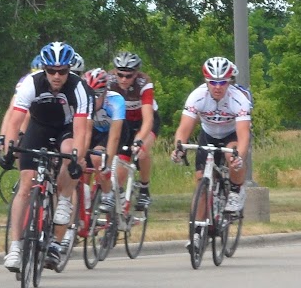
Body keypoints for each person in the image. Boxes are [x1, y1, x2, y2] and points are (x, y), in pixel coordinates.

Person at [0, 41, 91, 272]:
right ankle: (16, 247)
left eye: (62, 71)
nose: (57, 76)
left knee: (69, 152)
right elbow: (15, 120)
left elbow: (81, 130)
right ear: (43, 69)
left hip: (65, 129)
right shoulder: (31, 83)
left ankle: (64, 200)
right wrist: (9, 149)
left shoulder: (79, 88)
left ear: (69, 70)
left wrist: (77, 159)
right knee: (25, 187)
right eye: (51, 71)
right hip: (39, 127)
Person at [169, 56, 253, 218]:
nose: (217, 87)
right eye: (213, 82)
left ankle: (236, 191)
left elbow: (243, 135)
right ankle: (198, 231)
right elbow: (184, 128)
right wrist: (179, 148)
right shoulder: (197, 96)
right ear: (206, 81)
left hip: (231, 135)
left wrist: (240, 157)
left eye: (222, 82)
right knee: (201, 180)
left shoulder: (239, 99)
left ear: (229, 82)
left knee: (232, 154)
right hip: (208, 134)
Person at [107, 52, 157, 212]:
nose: (123, 79)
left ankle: (144, 187)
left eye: (128, 76)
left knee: (141, 150)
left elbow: (148, 120)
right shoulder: (109, 81)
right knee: (119, 171)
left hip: (144, 121)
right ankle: (116, 215)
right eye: (120, 75)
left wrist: (139, 140)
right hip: (124, 123)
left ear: (136, 74)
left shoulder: (144, 83)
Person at [83, 67, 125, 208]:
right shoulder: (84, 102)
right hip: (95, 131)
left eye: (97, 95)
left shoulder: (116, 101)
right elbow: (86, 133)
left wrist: (106, 163)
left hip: (113, 132)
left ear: (105, 92)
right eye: (89, 94)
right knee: (82, 169)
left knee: (98, 158)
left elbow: (114, 137)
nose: (92, 100)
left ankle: (108, 193)